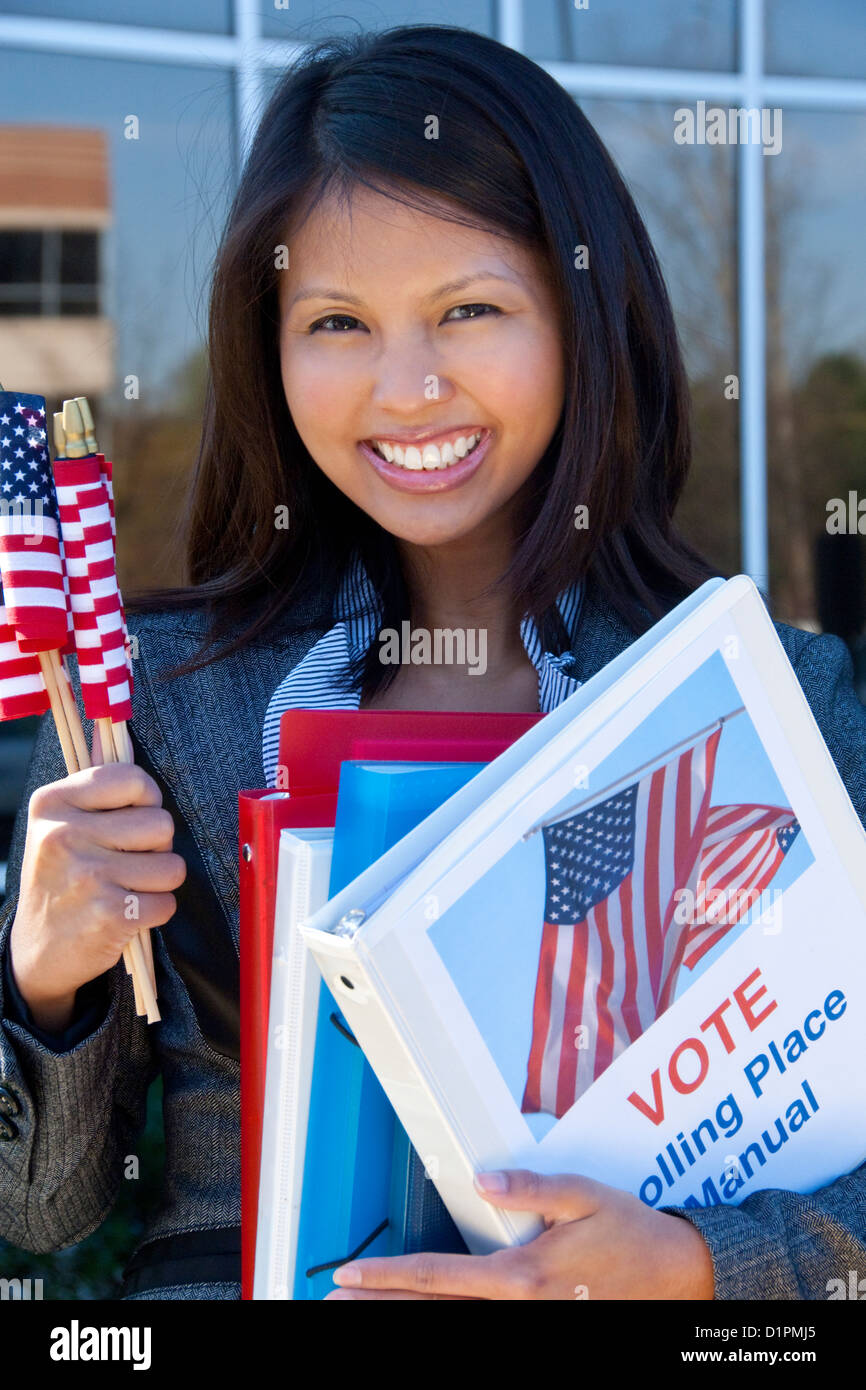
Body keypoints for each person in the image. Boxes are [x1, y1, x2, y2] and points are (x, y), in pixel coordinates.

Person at [1, 24, 863, 1301]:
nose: (405, 388)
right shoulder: (165, 699)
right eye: (337, 322)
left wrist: (694, 1266)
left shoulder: (772, 700)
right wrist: (46, 979)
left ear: (582, 316)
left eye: (468, 309)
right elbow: (45, 1208)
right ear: (268, 348)